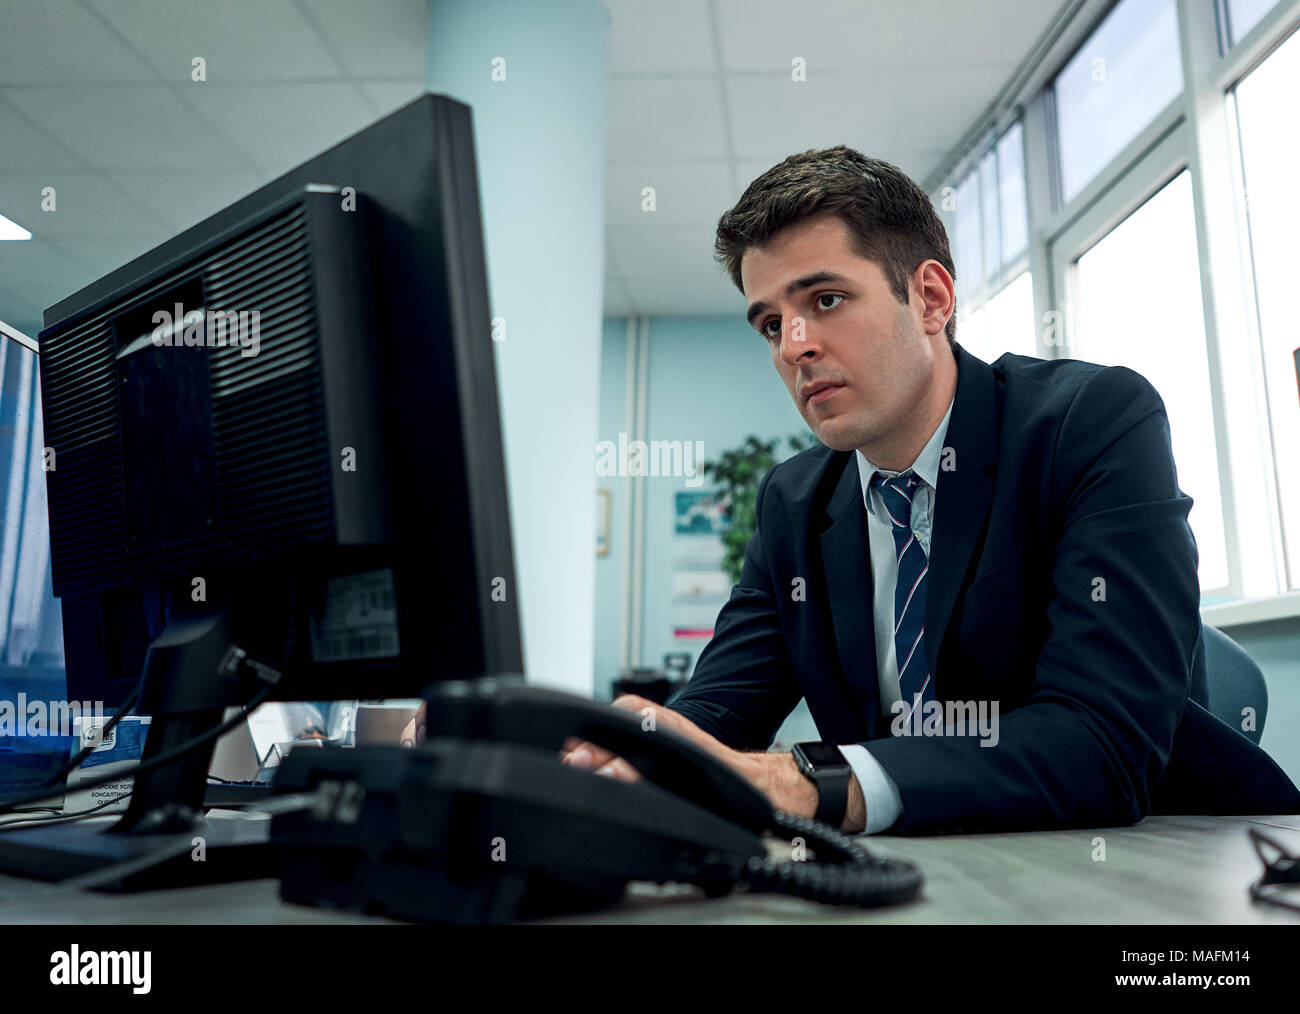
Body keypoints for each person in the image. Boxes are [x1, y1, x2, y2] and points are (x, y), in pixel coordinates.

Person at [562, 146, 1300, 834]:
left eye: (823, 300)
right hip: (935, 862)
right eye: (770, 323)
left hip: (1177, 858)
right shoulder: (794, 503)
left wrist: (807, 781)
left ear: (931, 299)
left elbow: (1101, 742)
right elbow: (718, 712)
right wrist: (615, 758)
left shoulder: (1088, 425)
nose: (793, 346)